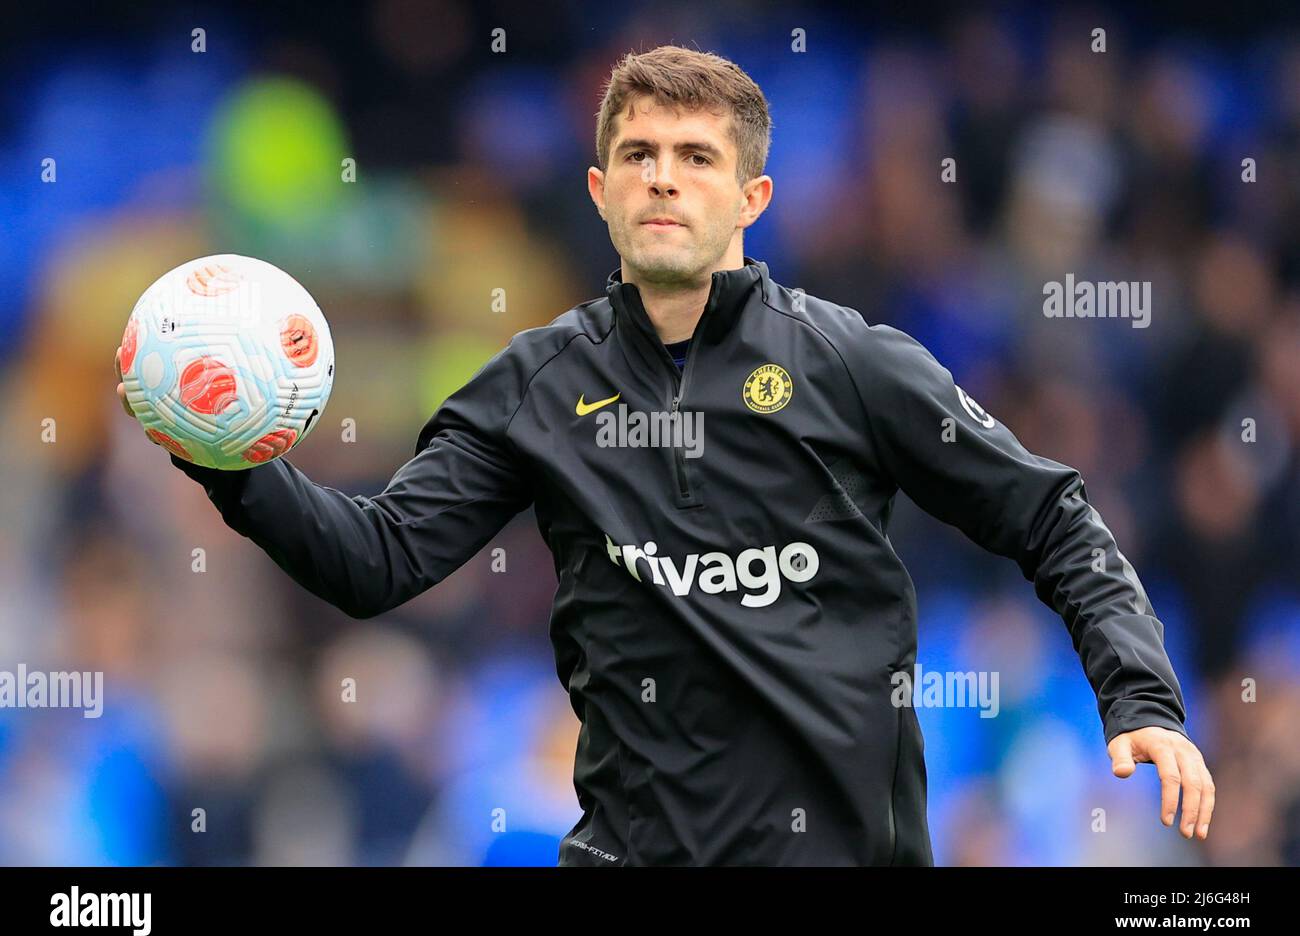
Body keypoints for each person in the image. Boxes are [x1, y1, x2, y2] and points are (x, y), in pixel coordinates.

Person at [115, 45, 1213, 865]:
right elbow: (376, 560)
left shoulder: (855, 365)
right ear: (599, 193)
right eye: (636, 154)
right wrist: (225, 460)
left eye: (697, 157)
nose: (662, 178)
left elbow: (1051, 512)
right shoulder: (534, 385)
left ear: (752, 197)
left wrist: (1143, 700)